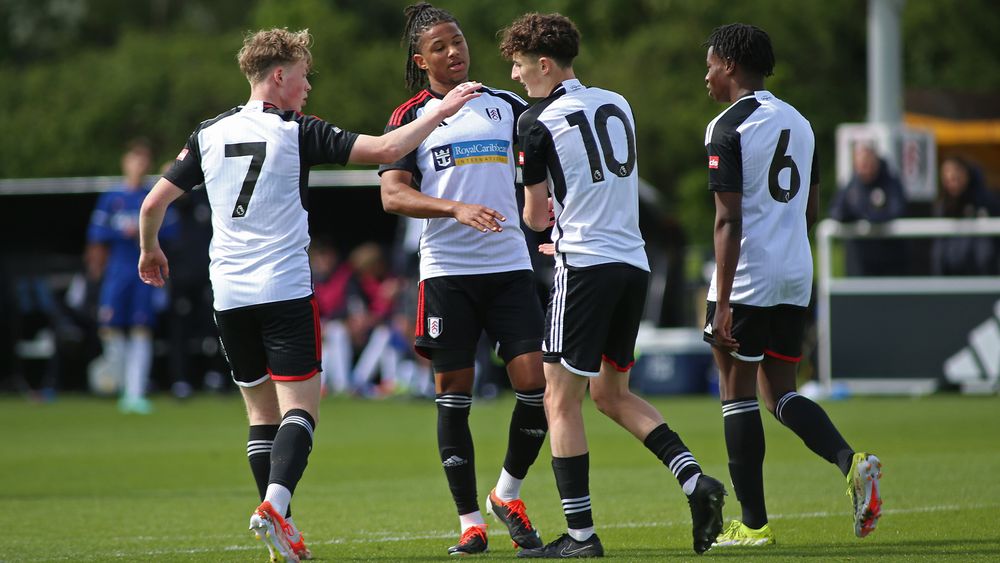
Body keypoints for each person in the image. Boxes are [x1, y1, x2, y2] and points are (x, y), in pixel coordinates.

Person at [137, 27, 481, 563]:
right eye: (303, 77)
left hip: (228, 295)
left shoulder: (208, 132)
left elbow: (152, 204)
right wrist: (444, 109)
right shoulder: (296, 130)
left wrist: (149, 251)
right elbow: (388, 148)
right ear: (279, 76)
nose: (308, 88)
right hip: (284, 290)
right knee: (301, 410)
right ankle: (275, 505)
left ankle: (285, 529)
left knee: (260, 415)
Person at [501, 13, 727, 558]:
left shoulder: (534, 121)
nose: (514, 75)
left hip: (584, 267)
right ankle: (696, 481)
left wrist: (553, 223)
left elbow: (533, 215)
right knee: (611, 393)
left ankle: (581, 537)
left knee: (559, 400)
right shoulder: (618, 102)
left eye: (520, 64)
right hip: (632, 262)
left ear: (544, 65)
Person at [701, 23, 883, 548]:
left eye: (710, 66)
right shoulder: (800, 122)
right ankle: (850, 462)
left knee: (736, 394)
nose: (707, 77)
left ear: (730, 65)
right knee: (779, 391)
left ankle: (753, 525)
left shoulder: (725, 127)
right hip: (795, 272)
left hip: (748, 276)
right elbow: (810, 207)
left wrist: (723, 303)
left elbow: (727, 220)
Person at [378, 3, 549, 555]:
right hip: (448, 274)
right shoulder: (411, 116)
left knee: (536, 386)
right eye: (440, 47)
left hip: (510, 268)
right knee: (454, 393)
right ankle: (470, 522)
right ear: (420, 60)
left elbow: (548, 158)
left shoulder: (505, 105)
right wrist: (454, 209)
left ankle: (507, 494)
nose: (454, 52)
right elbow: (393, 195)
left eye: (458, 41)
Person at [87, 138, 176, 414]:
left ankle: (135, 392)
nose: (138, 165)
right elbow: (97, 237)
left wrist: (144, 234)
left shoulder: (151, 197)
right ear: (125, 162)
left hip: (144, 274)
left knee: (141, 328)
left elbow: (171, 231)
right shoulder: (111, 198)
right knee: (110, 328)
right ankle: (119, 382)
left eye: (143, 160)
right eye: (134, 159)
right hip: (117, 273)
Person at [829, 143, 908, 276]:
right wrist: (852, 217)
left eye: (868, 163)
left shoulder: (890, 182)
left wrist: (869, 217)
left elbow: (897, 210)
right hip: (859, 260)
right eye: (861, 164)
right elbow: (836, 211)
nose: (865, 169)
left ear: (876, 162)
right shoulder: (852, 184)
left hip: (889, 259)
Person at [931, 156, 999, 276]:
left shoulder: (985, 201)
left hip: (982, 275)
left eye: (955, 177)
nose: (952, 183)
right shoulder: (942, 206)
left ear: (966, 174)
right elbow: (939, 249)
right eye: (947, 179)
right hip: (951, 274)